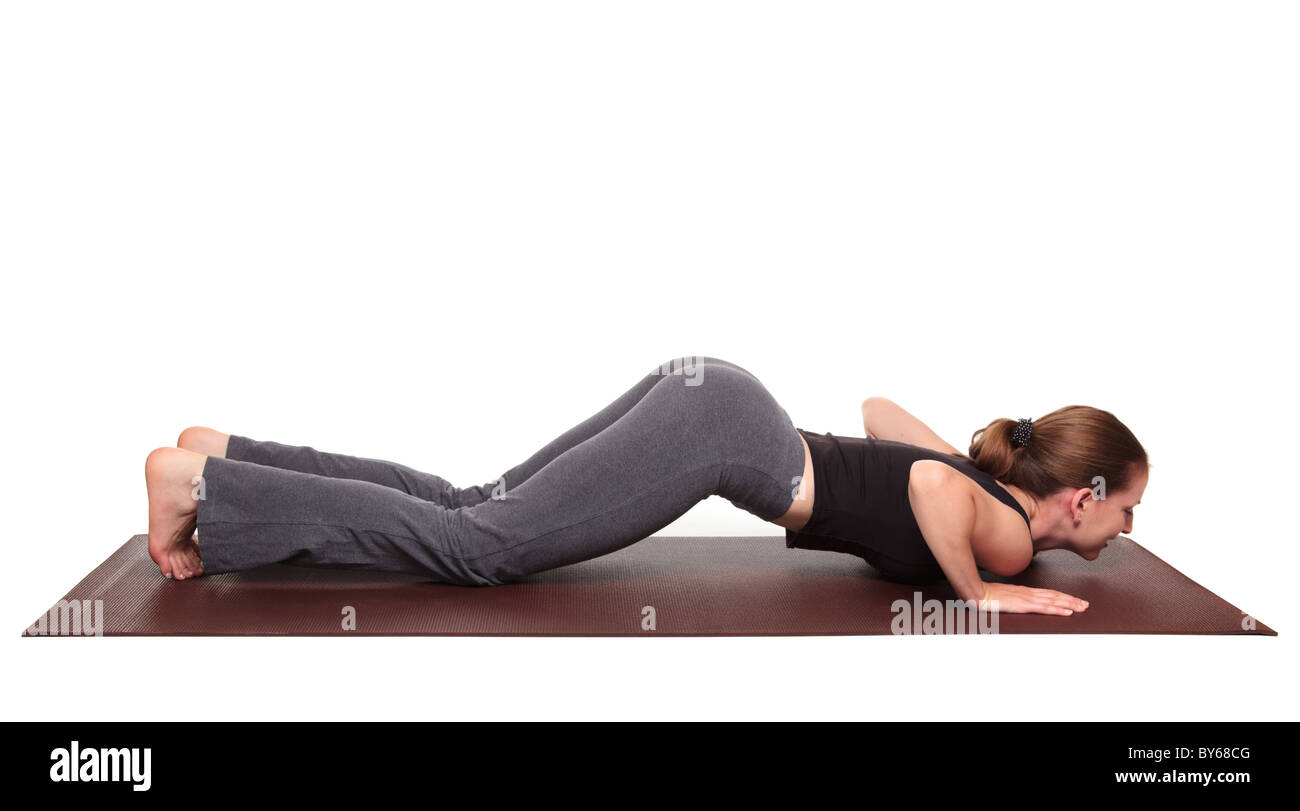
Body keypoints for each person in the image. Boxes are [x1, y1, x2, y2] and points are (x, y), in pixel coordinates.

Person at [144, 356, 1148, 616]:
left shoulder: (992, 492)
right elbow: (927, 492)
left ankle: (227, 457)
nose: (1128, 525)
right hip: (723, 434)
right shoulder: (1011, 535)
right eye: (1126, 505)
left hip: (720, 394)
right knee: (480, 548)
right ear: (1082, 492)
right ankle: (202, 487)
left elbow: (883, 412)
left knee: (470, 500)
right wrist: (983, 593)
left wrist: (966, 474)